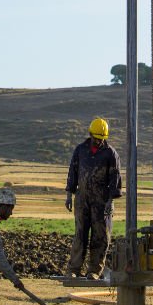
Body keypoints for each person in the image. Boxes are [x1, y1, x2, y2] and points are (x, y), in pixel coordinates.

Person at [64, 117, 122, 279]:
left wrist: (110, 202)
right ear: (90, 134)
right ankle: (74, 270)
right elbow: (72, 173)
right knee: (80, 234)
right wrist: (69, 195)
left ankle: (94, 271)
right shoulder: (80, 150)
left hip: (102, 201)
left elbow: (115, 179)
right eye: (96, 138)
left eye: (101, 139)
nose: (98, 141)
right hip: (82, 200)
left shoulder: (110, 154)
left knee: (100, 236)